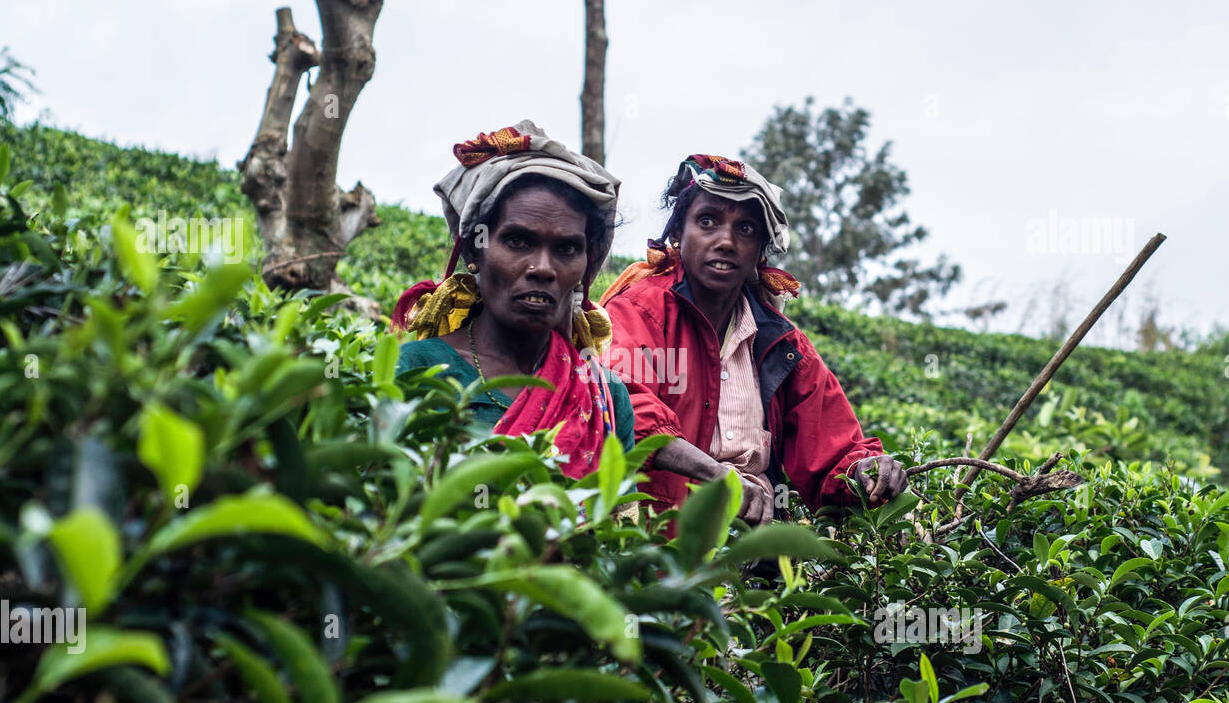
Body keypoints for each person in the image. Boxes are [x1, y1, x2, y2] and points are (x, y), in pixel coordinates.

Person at [600, 153, 907, 523]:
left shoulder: (782, 344)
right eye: (708, 221)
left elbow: (831, 453)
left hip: (754, 553)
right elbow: (622, 405)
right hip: (661, 542)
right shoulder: (642, 310)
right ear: (678, 233)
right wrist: (716, 473)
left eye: (745, 229)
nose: (726, 241)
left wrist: (866, 470)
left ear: (760, 249)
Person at [389, 120, 634, 476]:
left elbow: (612, 526)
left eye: (567, 248)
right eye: (518, 242)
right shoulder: (414, 370)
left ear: (585, 266)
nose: (542, 268)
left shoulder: (606, 398)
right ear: (476, 249)